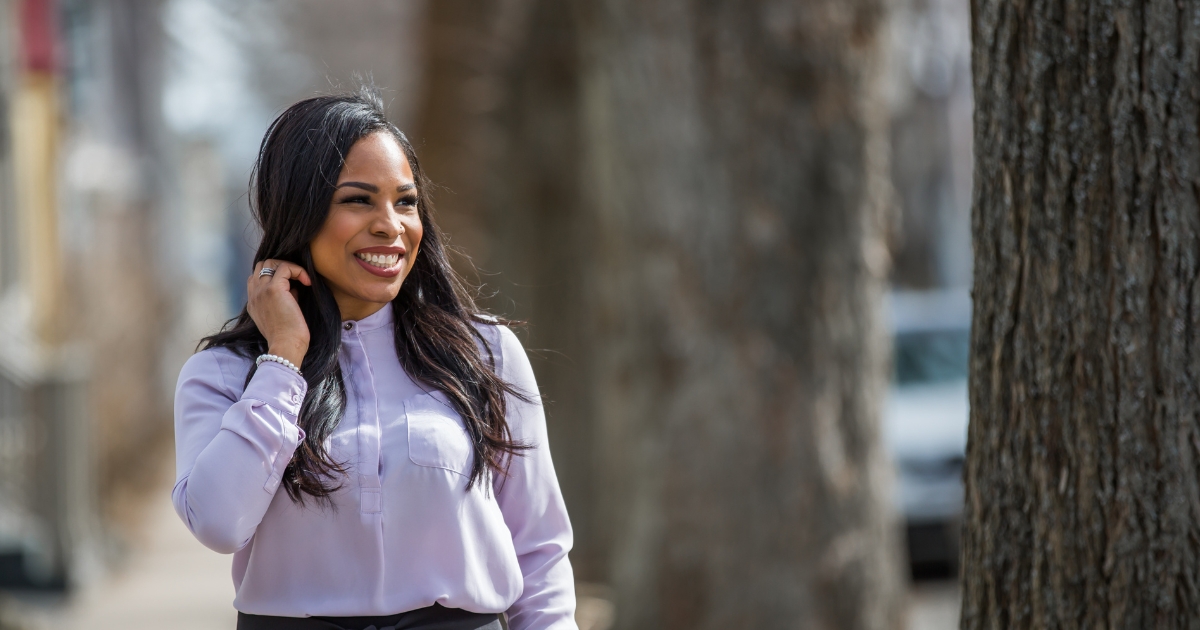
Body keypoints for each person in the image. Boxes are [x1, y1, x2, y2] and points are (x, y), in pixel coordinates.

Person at [172, 88, 577, 630]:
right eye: (359, 200)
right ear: (300, 214)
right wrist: (284, 360)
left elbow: (540, 548)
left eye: (405, 201)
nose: (391, 225)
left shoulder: (485, 354)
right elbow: (219, 524)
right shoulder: (223, 375)